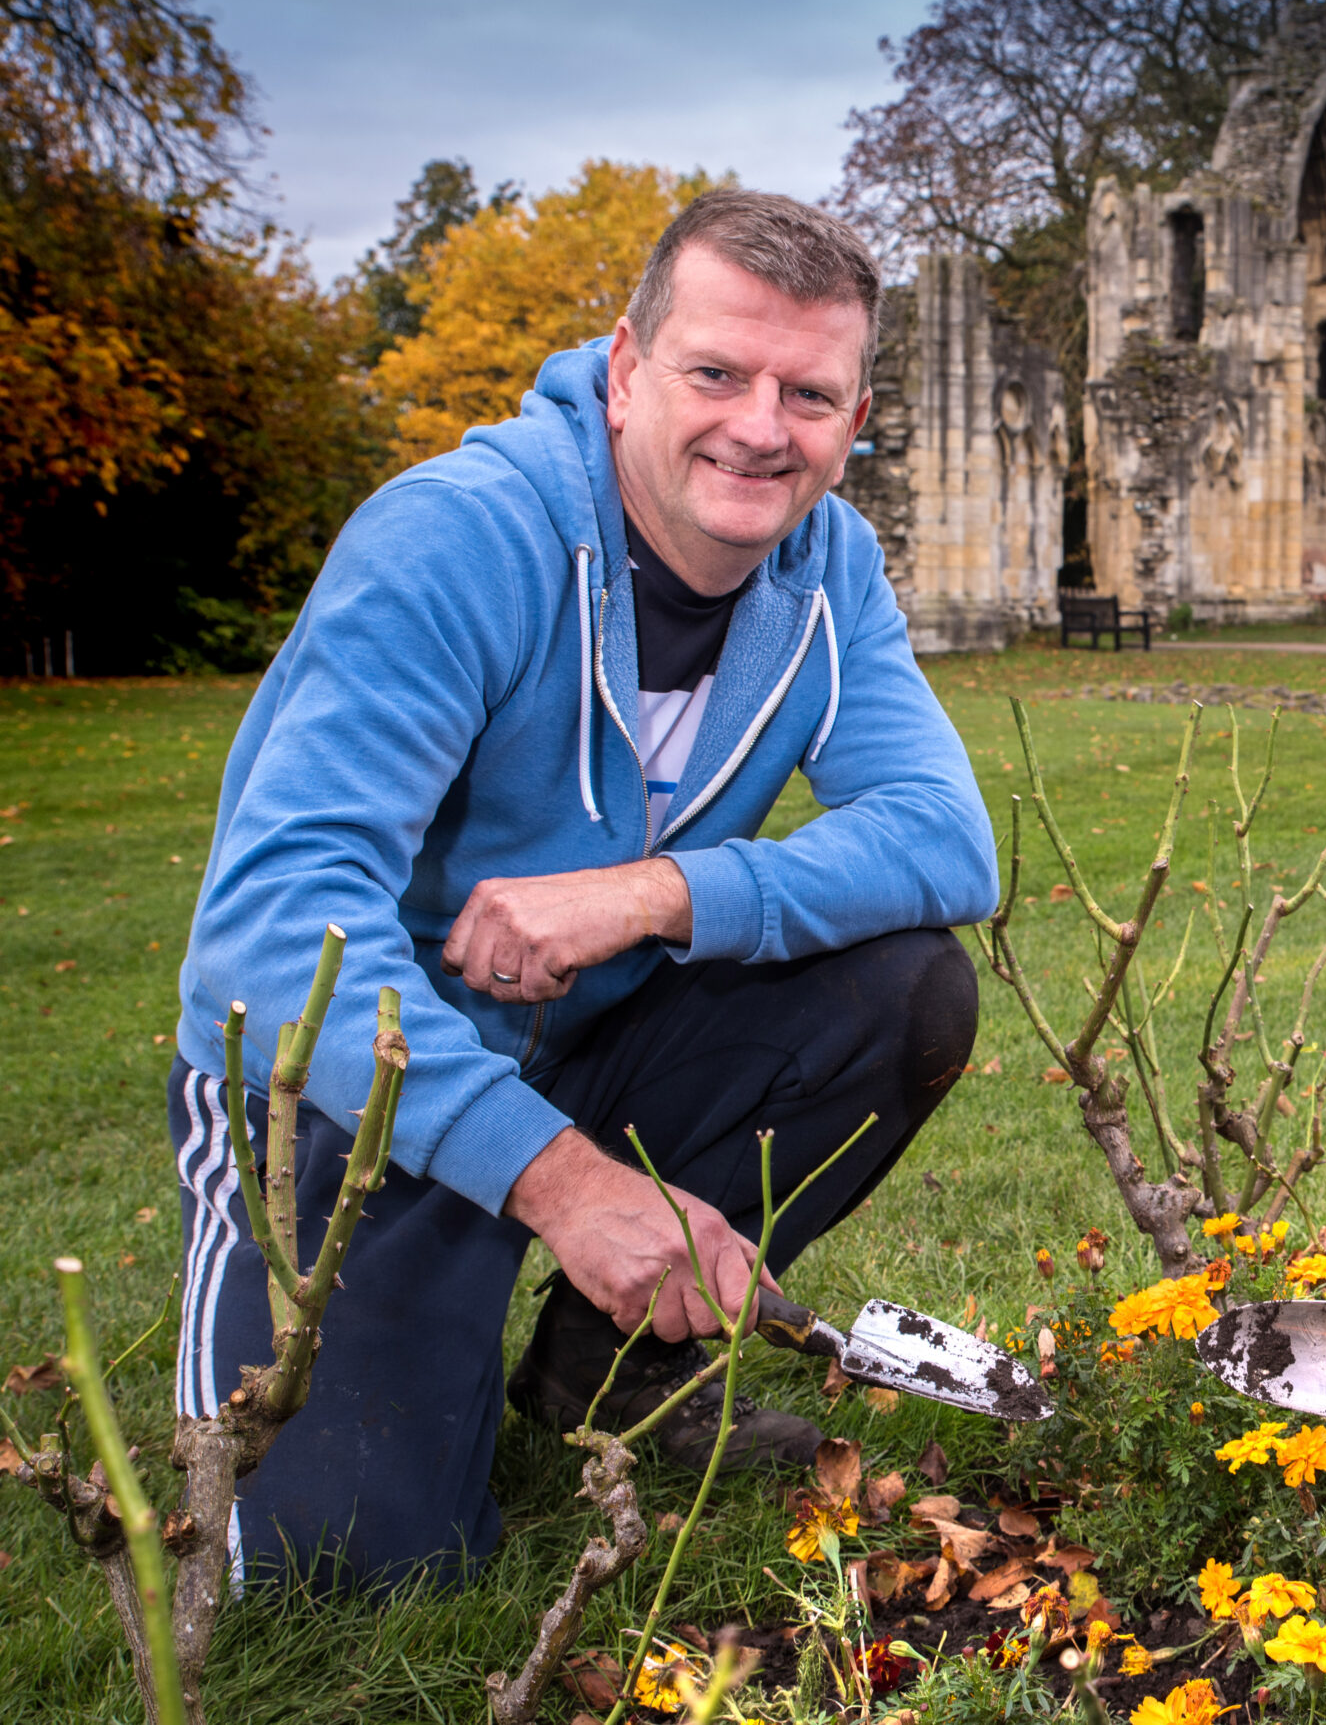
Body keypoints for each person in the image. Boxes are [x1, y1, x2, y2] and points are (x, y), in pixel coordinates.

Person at [168, 190, 998, 1590]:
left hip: (591, 1034)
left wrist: (651, 893)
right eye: (715, 372)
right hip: (355, 1089)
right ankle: (449, 1299)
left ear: (855, 421)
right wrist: (561, 1181)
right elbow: (270, 921)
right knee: (352, 1569)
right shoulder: (458, 538)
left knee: (906, 985)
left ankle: (605, 1370)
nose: (760, 427)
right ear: (623, 370)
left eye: (809, 394)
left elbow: (945, 841)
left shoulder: (829, 568)